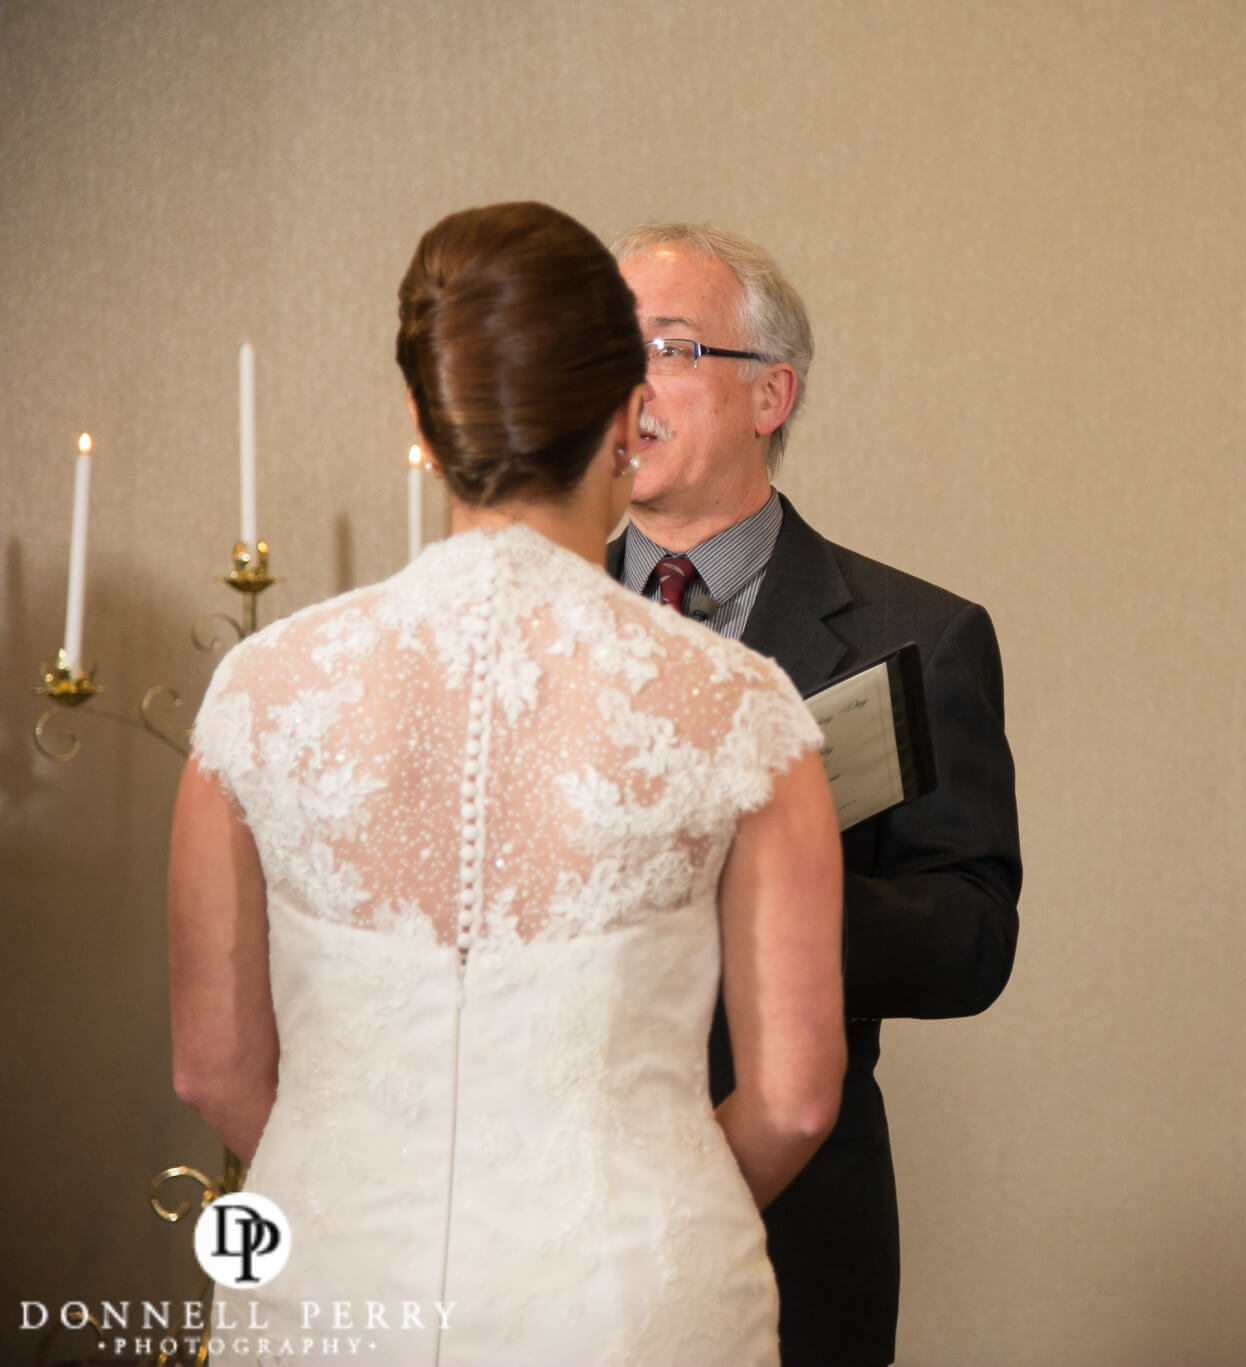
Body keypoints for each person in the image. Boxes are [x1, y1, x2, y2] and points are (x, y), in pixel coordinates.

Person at [167, 201, 846, 1367]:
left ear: (427, 422)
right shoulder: (743, 707)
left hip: (330, 1287)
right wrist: (645, 1200)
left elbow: (214, 1066)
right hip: (631, 1297)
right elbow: (789, 1099)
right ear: (625, 414)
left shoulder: (257, 690)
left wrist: (349, 1192)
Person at [605, 222, 1022, 1367]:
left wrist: (760, 886)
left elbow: (969, 940)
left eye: (669, 348)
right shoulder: (530, 621)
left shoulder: (913, 636)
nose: (627, 385)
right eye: (607, 348)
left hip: (792, 1230)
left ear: (768, 394)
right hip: (555, 1207)